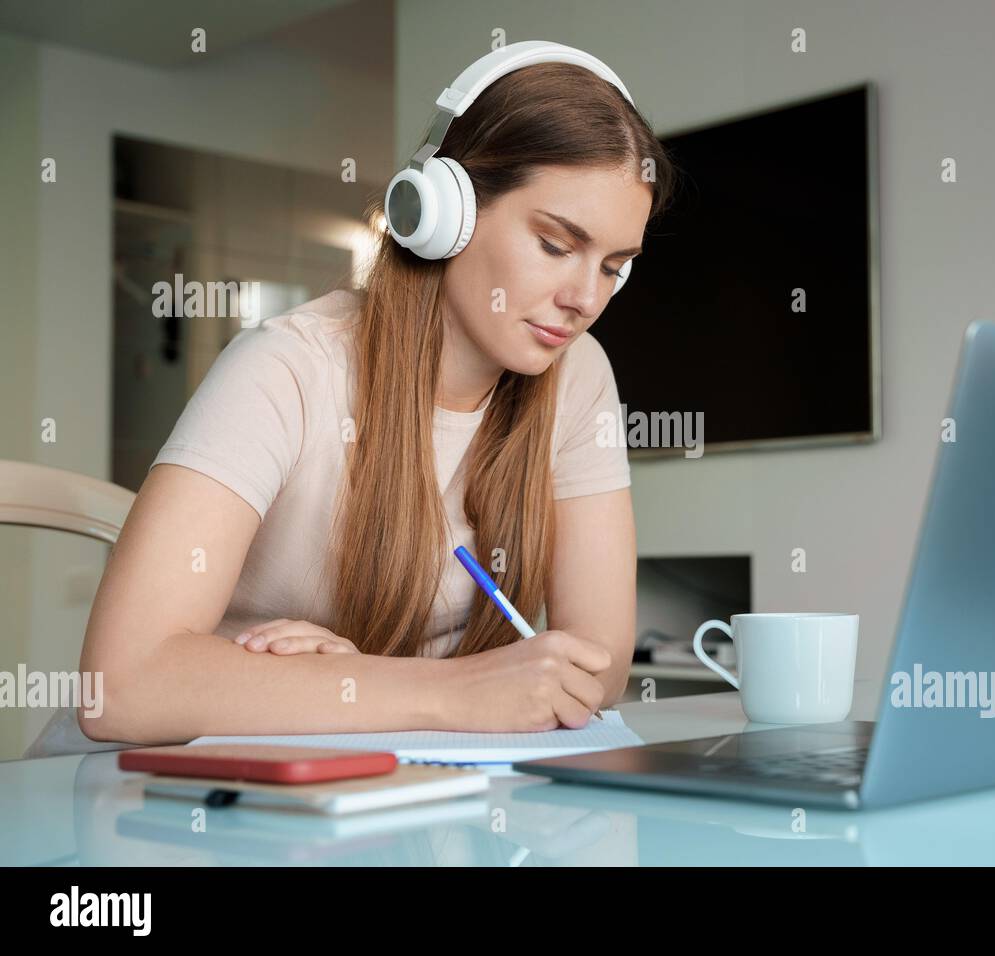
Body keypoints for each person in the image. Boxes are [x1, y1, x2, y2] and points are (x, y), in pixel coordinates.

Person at [78, 50, 678, 745]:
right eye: (552, 244)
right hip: (165, 806)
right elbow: (120, 686)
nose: (584, 299)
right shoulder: (287, 369)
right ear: (443, 211)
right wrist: (432, 691)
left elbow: (594, 666)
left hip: (378, 786)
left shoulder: (578, 378)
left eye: (612, 268)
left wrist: (359, 685)